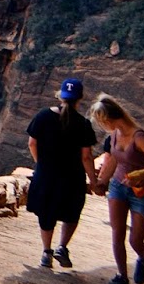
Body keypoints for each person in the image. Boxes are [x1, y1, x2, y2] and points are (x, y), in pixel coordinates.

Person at [88, 95, 144, 284]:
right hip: (118, 186)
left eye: (101, 120)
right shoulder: (114, 135)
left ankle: (141, 256)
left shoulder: (138, 137)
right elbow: (114, 160)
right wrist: (102, 181)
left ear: (108, 118)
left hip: (141, 191)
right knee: (117, 233)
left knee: (135, 239)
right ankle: (121, 275)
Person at [25, 77, 95, 269]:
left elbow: (32, 143)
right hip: (72, 178)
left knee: (46, 213)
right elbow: (87, 157)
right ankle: (62, 247)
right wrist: (95, 181)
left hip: (46, 175)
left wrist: (41, 163)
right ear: (80, 98)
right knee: (71, 213)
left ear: (60, 95)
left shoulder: (43, 116)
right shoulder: (83, 123)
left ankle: (46, 252)